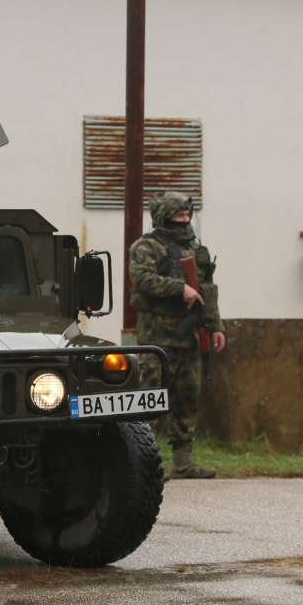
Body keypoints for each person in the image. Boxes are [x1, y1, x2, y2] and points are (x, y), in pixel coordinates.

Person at [129, 191, 226, 480]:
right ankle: (144, 462)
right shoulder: (146, 247)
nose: (184, 221)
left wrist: (216, 326)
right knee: (149, 398)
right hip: (157, 337)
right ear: (163, 217)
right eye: (177, 216)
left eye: (186, 215)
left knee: (187, 396)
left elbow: (207, 291)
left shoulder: (195, 248)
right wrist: (178, 288)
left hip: (189, 336)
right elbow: (142, 279)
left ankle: (183, 462)